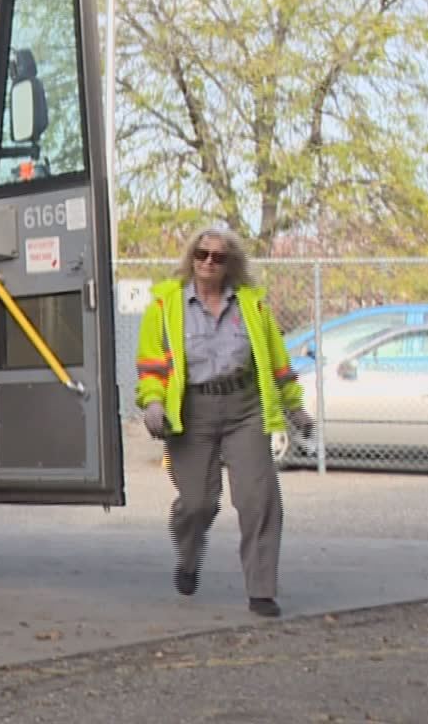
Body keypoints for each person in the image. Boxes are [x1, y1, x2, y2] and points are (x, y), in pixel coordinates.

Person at [135, 226, 314, 618]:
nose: (209, 263)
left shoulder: (252, 306)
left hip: (244, 408)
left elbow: (276, 361)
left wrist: (294, 408)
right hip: (192, 412)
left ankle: (261, 590)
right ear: (191, 258)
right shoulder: (165, 306)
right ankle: (188, 555)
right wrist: (152, 403)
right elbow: (151, 365)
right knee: (198, 503)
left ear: (231, 263)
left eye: (219, 257)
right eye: (202, 255)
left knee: (259, 499)